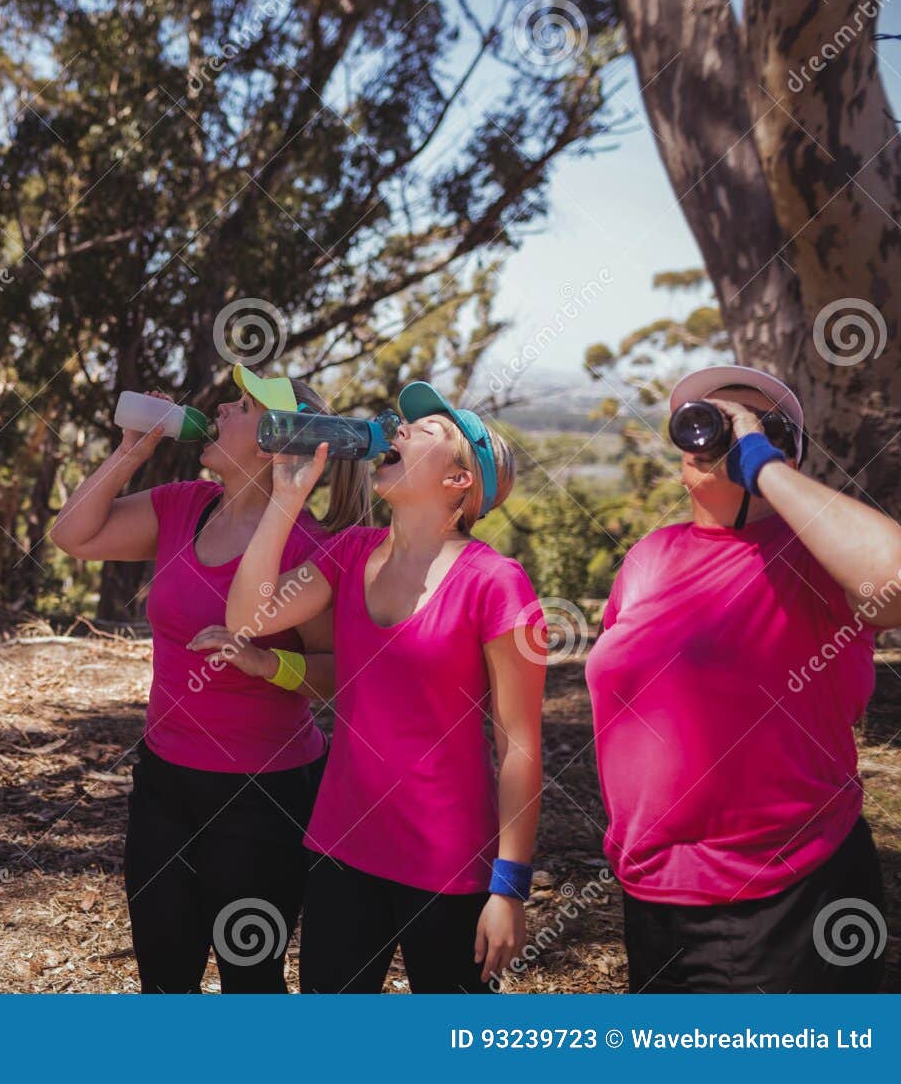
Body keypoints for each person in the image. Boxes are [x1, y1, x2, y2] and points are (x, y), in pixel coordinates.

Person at [51, 365, 366, 993]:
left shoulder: (314, 547)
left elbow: (337, 678)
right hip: (164, 782)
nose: (221, 407)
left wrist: (268, 663)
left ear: (282, 438)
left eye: (243, 404)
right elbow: (72, 536)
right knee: (164, 980)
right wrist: (129, 453)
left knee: (251, 981)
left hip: (264, 796)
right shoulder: (184, 507)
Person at [585, 365, 899, 992]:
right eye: (706, 420)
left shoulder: (812, 556)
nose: (720, 435)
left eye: (749, 423)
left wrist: (765, 464)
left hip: (783, 893)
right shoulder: (649, 557)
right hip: (654, 892)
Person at [227, 382, 546, 993]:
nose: (397, 431)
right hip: (341, 845)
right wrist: (287, 497)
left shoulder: (496, 583)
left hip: (449, 864)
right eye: (402, 425)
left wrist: (509, 887)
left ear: (459, 482)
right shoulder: (350, 552)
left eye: (423, 431)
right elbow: (250, 617)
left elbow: (520, 747)